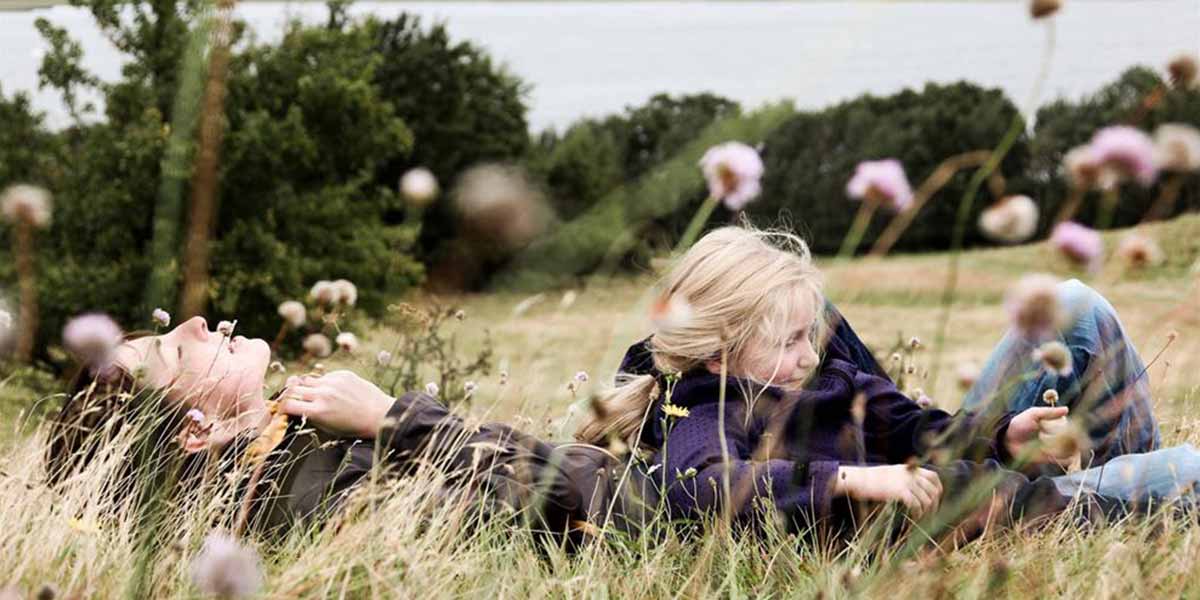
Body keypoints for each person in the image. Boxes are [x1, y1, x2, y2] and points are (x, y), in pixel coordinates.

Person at [44, 225, 1196, 548]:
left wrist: (990, 433)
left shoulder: (302, 444)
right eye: (170, 344)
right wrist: (397, 415)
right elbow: (619, 492)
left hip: (958, 483)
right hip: (943, 522)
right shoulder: (308, 502)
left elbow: (897, 417)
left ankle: (1121, 512)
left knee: (1073, 308)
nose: (198, 319)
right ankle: (1118, 506)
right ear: (193, 431)